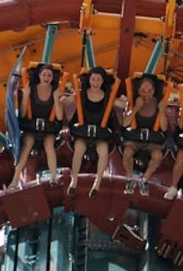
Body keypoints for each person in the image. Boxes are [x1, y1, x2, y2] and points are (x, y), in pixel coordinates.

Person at [65, 67, 119, 198]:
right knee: (79, 149)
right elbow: (66, 102)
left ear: (102, 81)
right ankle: (74, 180)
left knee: (103, 151)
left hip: (100, 133)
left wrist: (123, 101)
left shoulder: (107, 97)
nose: (95, 82)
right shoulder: (81, 94)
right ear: (89, 80)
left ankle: (97, 183)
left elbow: (120, 104)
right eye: (93, 79)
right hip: (82, 132)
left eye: (99, 80)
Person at [11, 64, 64, 189]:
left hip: (48, 127)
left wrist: (56, 99)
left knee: (49, 144)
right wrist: (25, 96)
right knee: (27, 143)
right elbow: (23, 113)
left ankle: (53, 177)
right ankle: (15, 178)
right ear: (39, 76)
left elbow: (60, 116)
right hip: (31, 126)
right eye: (44, 74)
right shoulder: (31, 89)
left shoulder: (55, 91)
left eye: (49, 75)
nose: (47, 77)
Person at [120, 76, 172, 196]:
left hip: (152, 141)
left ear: (154, 91)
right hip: (134, 140)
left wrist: (162, 111)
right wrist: (136, 108)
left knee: (157, 155)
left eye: (149, 91)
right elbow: (125, 123)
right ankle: (129, 179)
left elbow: (164, 128)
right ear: (138, 91)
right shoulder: (133, 102)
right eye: (143, 91)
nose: (146, 94)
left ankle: (145, 179)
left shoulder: (158, 104)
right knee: (127, 152)